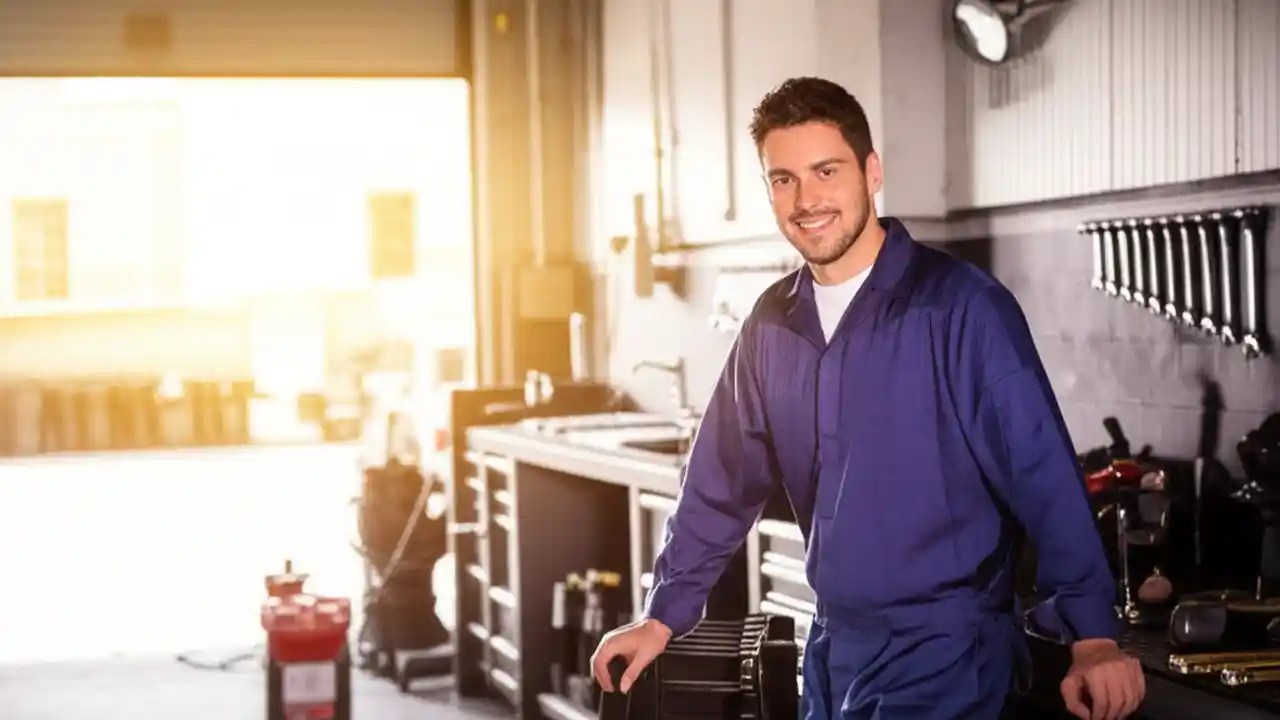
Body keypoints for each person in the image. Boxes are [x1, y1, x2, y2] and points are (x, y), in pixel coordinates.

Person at [590, 77, 1146, 719]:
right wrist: (662, 618)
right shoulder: (772, 325)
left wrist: (1094, 635)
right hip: (833, 652)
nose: (806, 198)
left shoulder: (960, 308)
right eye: (783, 179)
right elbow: (717, 483)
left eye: (826, 170)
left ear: (871, 172)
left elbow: (1042, 473)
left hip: (948, 656)